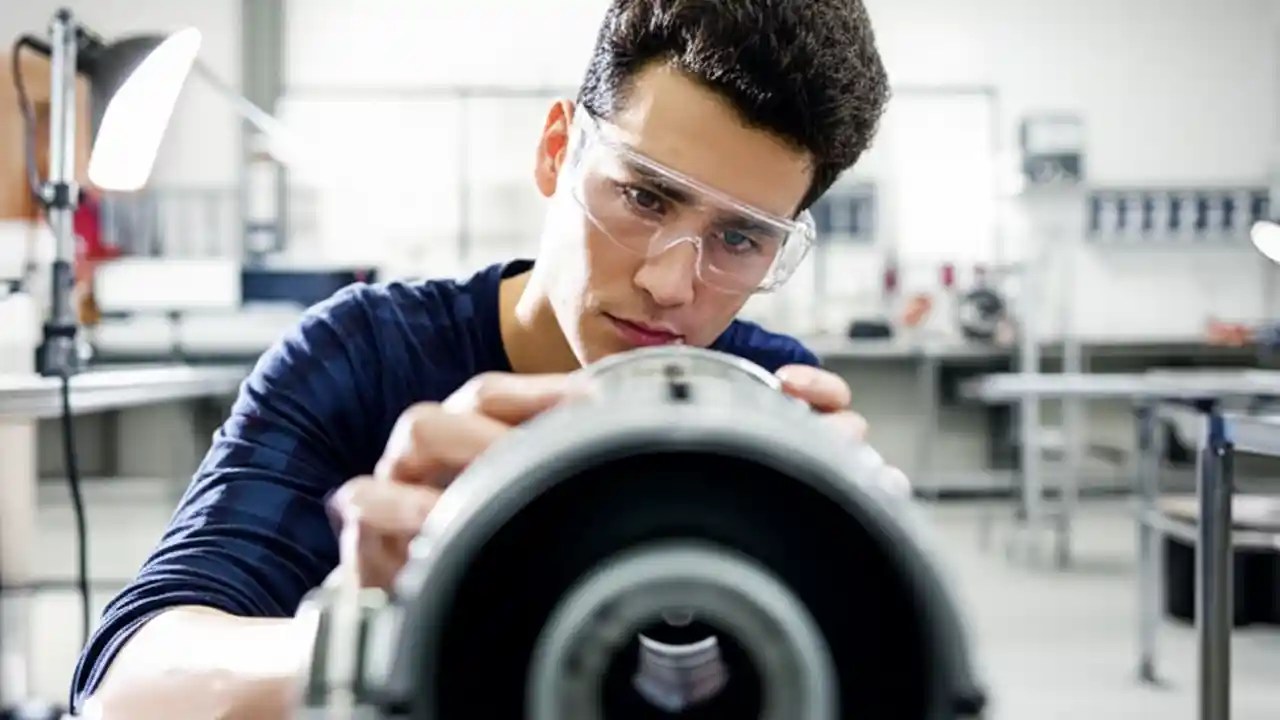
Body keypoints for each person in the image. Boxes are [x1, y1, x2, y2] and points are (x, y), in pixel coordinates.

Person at [72, 1, 893, 717]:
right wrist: (376, 626)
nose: (670, 283)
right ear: (556, 150)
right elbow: (125, 686)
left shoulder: (766, 408)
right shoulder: (365, 358)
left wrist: (867, 590)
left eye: (740, 238)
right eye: (643, 196)